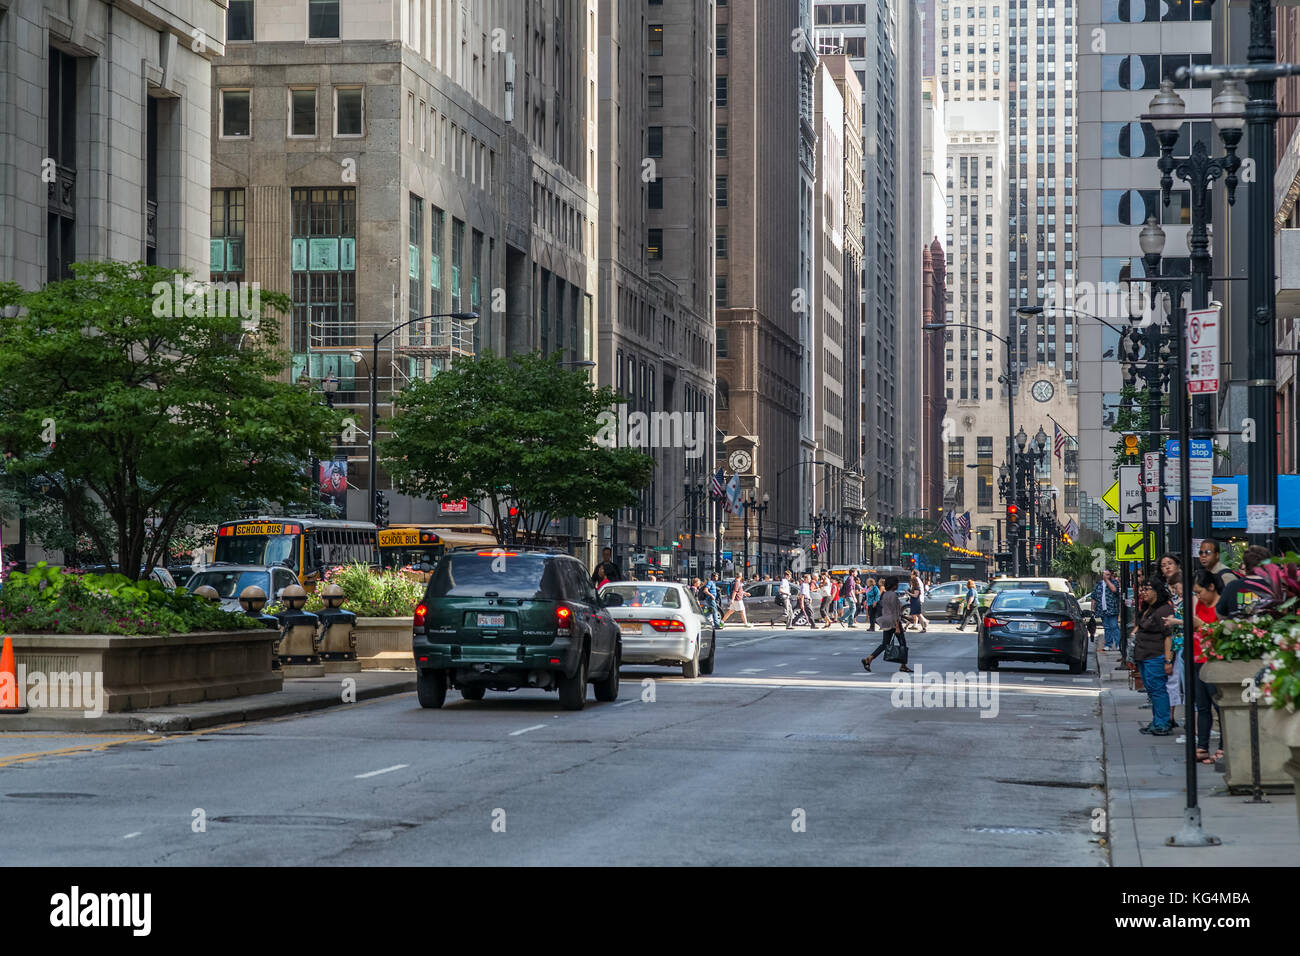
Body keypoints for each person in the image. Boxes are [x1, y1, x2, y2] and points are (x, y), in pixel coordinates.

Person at [1132, 579, 1176, 735]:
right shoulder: (1148, 609)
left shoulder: (1163, 610)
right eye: (1142, 589)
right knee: (1152, 690)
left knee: (1158, 690)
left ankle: (1163, 723)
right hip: (1144, 656)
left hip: (1155, 656)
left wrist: (1167, 660)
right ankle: (1157, 721)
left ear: (1157, 591)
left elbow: (1168, 637)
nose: (1143, 592)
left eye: (1147, 589)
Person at [1190, 569, 1224, 764]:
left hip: (1214, 661)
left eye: (1199, 592)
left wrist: (1201, 624)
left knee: (1218, 706)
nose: (1198, 596)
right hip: (1198, 660)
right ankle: (1202, 746)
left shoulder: (1220, 606)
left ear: (1211, 587)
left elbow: (1222, 633)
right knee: (1202, 706)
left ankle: (1222, 747)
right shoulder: (1200, 605)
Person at [860, 576, 912, 674]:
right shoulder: (893, 595)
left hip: (887, 621)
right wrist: (897, 626)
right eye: (896, 583)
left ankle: (869, 659)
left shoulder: (885, 595)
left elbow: (890, 610)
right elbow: (894, 612)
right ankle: (903, 666)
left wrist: (905, 618)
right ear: (893, 585)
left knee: (885, 644)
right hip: (894, 622)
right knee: (903, 645)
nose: (897, 585)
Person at [1216, 545, 1274, 618]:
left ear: (1245, 565)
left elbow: (1220, 612)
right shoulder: (1275, 587)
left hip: (1237, 628)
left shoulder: (1232, 586)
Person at [1093, 569, 1121, 650]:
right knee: (1106, 627)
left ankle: (1118, 644)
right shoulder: (1098, 584)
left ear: (1111, 575)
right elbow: (1094, 597)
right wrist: (1093, 609)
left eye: (1108, 574)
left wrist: (1107, 581)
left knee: (1114, 626)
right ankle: (1108, 644)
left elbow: (1114, 590)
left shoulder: (1114, 582)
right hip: (1102, 609)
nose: (1106, 576)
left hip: (1112, 609)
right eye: (1104, 574)